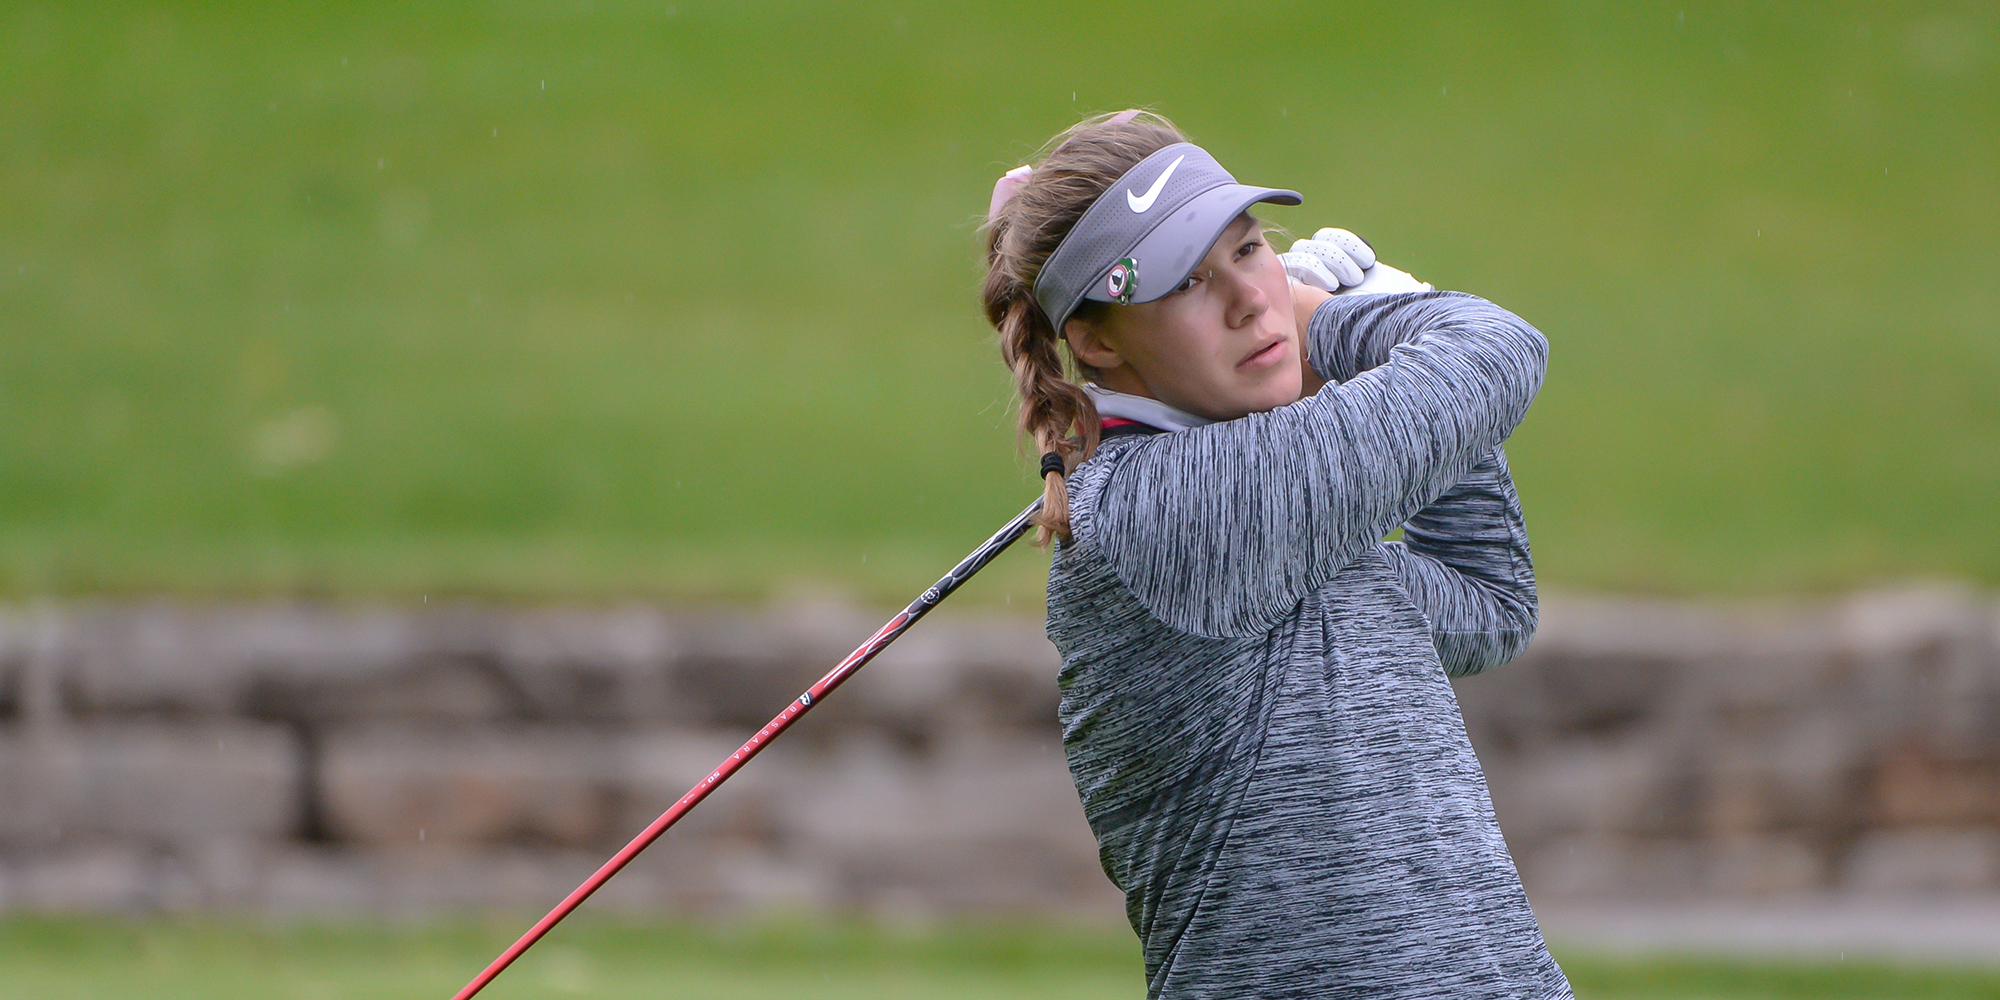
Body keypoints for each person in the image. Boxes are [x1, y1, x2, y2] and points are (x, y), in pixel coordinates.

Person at [981, 110, 1569, 999]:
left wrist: (1361, 359)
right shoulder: (1160, 517)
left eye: (1249, 250)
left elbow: (1487, 602)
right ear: (1097, 342)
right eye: (1187, 282)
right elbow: (1496, 353)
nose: (1248, 298)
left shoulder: (1268, 509)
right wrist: (1343, 323)